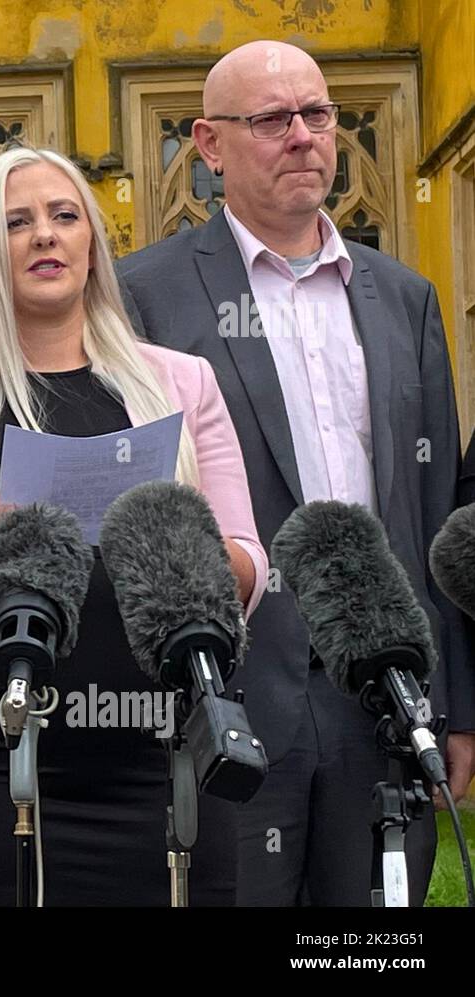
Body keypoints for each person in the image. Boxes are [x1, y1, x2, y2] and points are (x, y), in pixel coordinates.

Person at [116, 40, 474, 906]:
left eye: (318, 114)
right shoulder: (146, 295)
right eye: (273, 119)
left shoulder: (405, 296)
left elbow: (437, 508)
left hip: (381, 686)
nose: (304, 136)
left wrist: (455, 702)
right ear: (208, 145)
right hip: (232, 690)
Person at [0, 145, 266, 905]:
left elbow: (251, 565)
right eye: (17, 222)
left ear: (91, 241)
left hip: (167, 752)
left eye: (63, 215)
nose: (45, 235)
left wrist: (189, 547)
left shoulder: (182, 382)